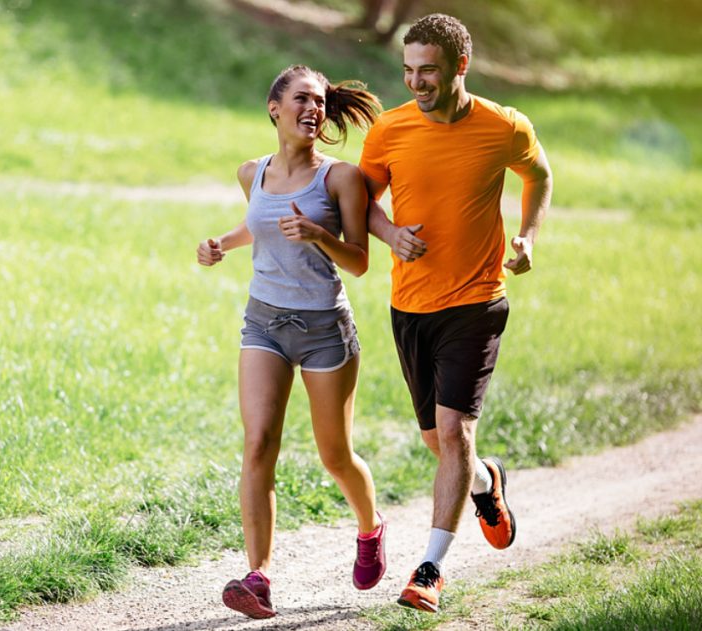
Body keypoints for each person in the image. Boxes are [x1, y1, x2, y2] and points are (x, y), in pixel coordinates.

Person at [360, 14, 553, 613]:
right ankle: (485, 483)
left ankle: (430, 569)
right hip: (410, 304)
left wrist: (528, 238)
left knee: (453, 432)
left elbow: (539, 175)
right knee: (436, 441)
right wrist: (390, 232)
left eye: (429, 71)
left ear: (459, 67)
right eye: (409, 70)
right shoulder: (390, 130)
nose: (417, 81)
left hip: (476, 301)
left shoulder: (503, 125)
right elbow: (361, 202)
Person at [197, 64, 385, 619]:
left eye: (321, 102)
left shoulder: (340, 179)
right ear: (274, 108)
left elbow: (360, 262)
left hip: (326, 330)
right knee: (258, 444)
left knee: (335, 455)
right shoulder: (250, 172)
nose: (315, 109)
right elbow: (259, 223)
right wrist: (222, 244)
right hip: (264, 323)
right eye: (303, 98)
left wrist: (319, 235)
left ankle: (371, 527)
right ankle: (258, 577)